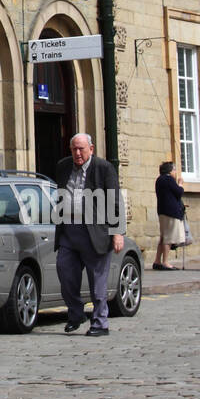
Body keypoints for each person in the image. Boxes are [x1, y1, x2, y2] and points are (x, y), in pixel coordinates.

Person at [53, 133, 125, 336]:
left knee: (97, 282)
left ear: (91, 149)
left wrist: (117, 232)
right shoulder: (63, 166)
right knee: (64, 271)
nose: (77, 153)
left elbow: (115, 200)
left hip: (95, 232)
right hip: (69, 230)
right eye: (74, 149)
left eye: (81, 149)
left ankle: (100, 323)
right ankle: (76, 314)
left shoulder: (104, 168)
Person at [153, 160, 185, 270]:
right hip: (171, 212)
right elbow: (179, 192)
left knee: (163, 236)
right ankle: (165, 262)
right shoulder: (169, 179)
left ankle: (157, 260)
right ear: (170, 171)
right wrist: (180, 184)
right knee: (169, 238)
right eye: (174, 170)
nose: (175, 172)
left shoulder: (159, 180)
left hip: (162, 211)